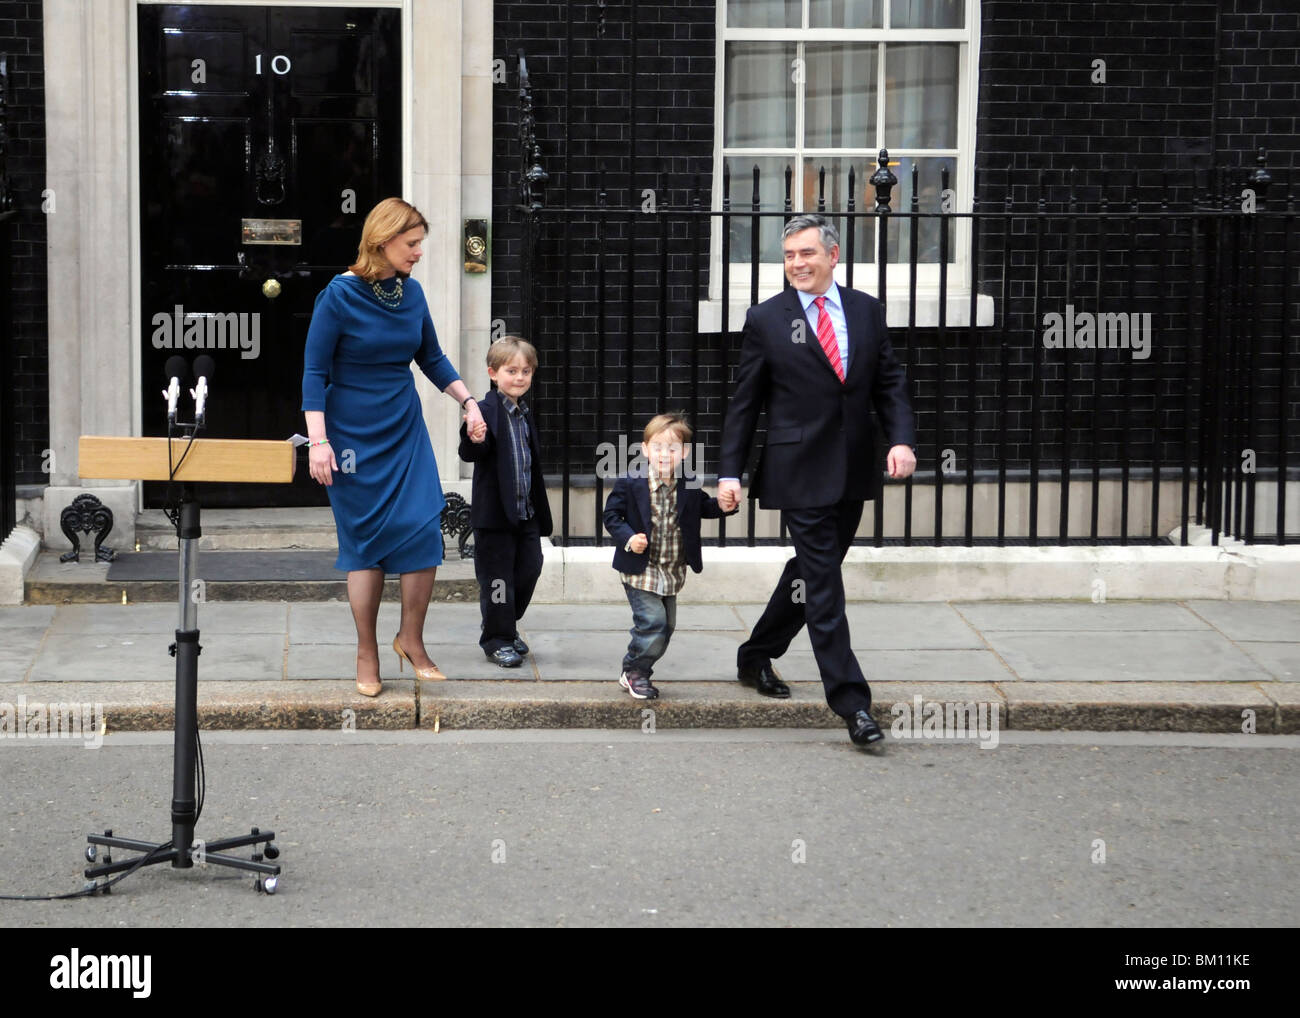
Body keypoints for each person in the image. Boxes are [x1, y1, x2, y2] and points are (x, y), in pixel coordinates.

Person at [717, 213, 918, 747]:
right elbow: (745, 403)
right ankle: (853, 704)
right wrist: (728, 473)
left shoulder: (866, 311)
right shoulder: (767, 318)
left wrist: (900, 439)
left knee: (809, 572)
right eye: (788, 256)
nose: (797, 264)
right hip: (798, 471)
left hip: (853, 465)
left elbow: (889, 382)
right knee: (825, 584)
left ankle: (755, 655)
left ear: (833, 255)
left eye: (806, 253)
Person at [302, 197, 486, 697]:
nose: (419, 252)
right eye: (412, 243)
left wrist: (469, 402)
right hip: (351, 437)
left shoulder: (412, 294)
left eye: (421, 243)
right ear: (382, 241)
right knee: (364, 546)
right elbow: (314, 374)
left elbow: (432, 358)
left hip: (403, 428)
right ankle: (367, 651)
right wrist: (318, 442)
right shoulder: (337, 296)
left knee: (423, 528)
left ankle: (411, 638)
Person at [603, 413, 736, 700]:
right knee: (652, 622)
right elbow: (611, 515)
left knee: (667, 627)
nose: (665, 454)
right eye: (658, 447)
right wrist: (629, 538)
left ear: (685, 452)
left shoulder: (687, 482)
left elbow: (704, 507)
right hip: (640, 568)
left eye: (673, 448)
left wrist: (724, 505)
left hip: (672, 569)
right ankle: (635, 671)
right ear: (645, 449)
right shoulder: (631, 481)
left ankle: (639, 669)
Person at [457, 336, 552, 668]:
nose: (520, 377)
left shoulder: (524, 414)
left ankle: (505, 626)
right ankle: (497, 639)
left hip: (525, 514)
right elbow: (471, 451)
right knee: (497, 581)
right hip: (495, 517)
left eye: (526, 371)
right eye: (512, 370)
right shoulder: (484, 410)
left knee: (530, 569)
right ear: (493, 373)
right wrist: (474, 436)